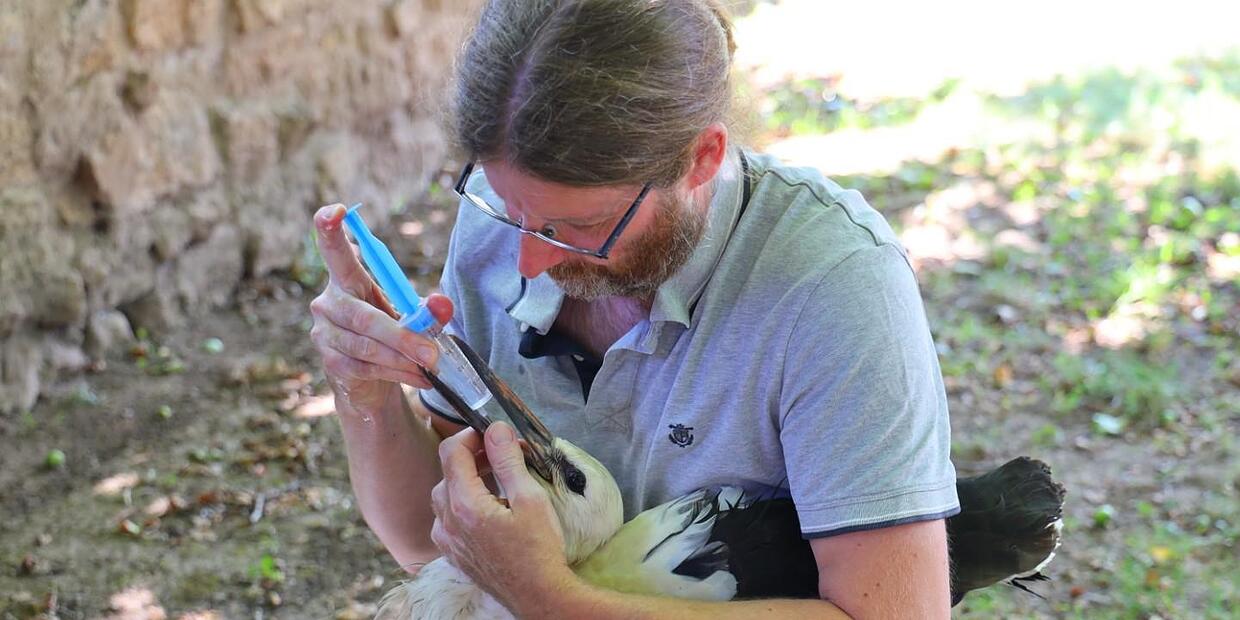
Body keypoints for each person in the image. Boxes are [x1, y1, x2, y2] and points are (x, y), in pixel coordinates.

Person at [309, 0, 958, 617]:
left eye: (579, 226)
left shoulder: (832, 284)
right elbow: (423, 543)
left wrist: (549, 601)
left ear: (702, 159)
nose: (528, 261)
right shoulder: (508, 225)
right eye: (508, 207)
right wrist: (366, 391)